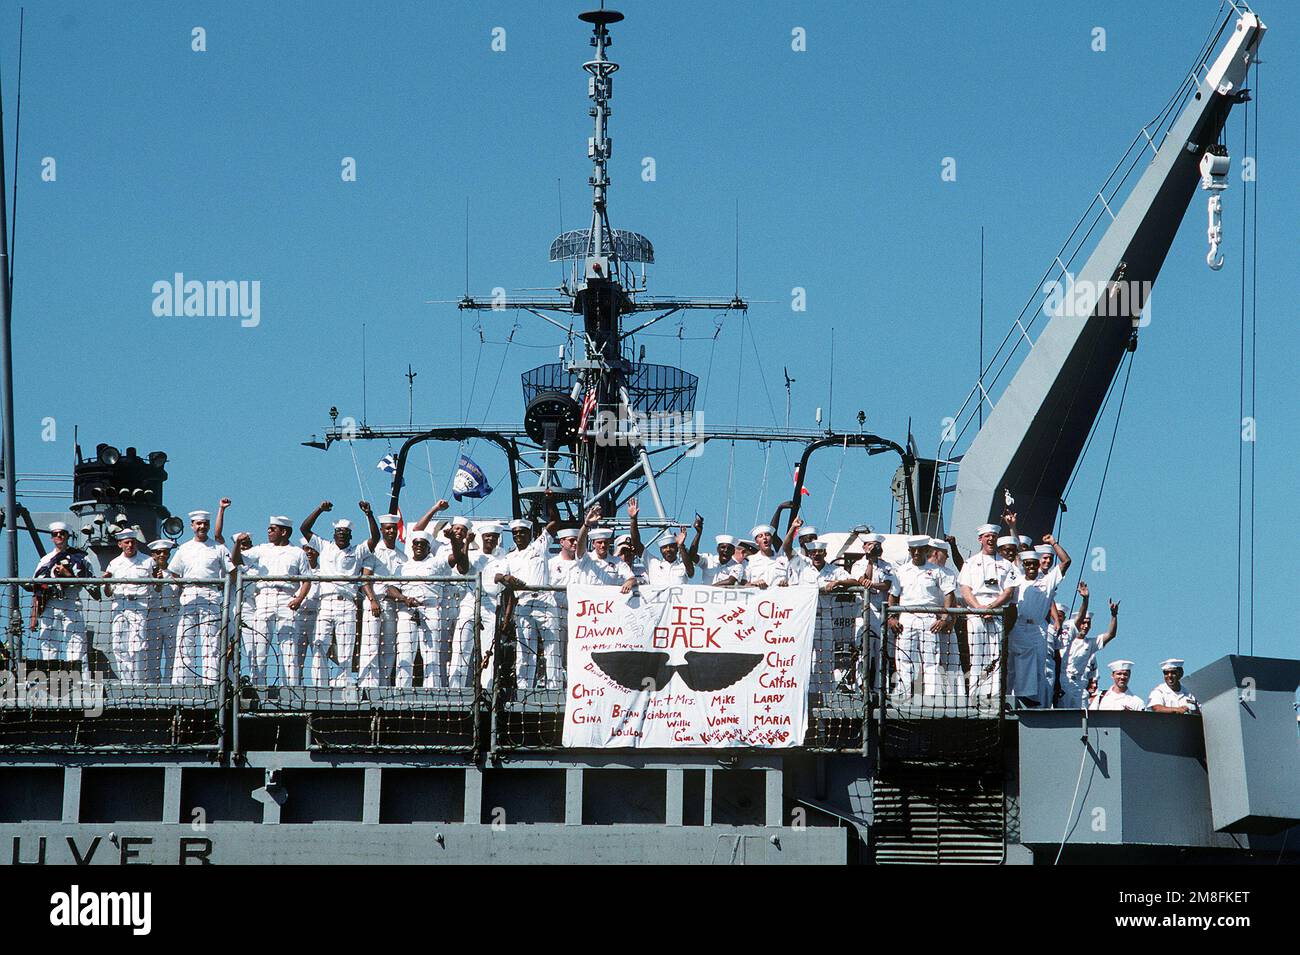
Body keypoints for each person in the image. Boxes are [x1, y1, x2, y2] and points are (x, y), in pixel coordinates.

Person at [300, 500, 379, 684]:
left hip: (347, 604)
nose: (342, 536)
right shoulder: (324, 546)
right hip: (325, 603)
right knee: (319, 644)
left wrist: (369, 515)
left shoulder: (357, 551)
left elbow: (375, 539)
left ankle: (344, 682)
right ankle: (320, 684)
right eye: (339, 532)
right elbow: (304, 529)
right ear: (333, 534)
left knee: (346, 647)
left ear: (351, 536)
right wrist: (319, 509)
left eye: (345, 533)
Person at [230, 517, 312, 685]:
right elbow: (237, 560)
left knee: (289, 647)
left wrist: (299, 598)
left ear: (284, 532)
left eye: (272, 529)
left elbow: (307, 580)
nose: (268, 531)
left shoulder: (298, 553)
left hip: (287, 599)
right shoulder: (261, 549)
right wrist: (237, 543)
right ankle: (258, 686)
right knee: (259, 645)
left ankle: (291, 688)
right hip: (264, 597)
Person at [496, 501, 562, 690]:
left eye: (522, 532)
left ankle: (554, 687)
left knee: (552, 647)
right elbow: (497, 576)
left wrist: (550, 501)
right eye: (515, 533)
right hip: (523, 603)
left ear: (529, 534)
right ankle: (524, 686)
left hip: (544, 600)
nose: (518, 536)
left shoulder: (539, 546)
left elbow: (555, 522)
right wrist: (506, 577)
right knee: (524, 648)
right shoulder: (509, 558)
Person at [887, 536, 957, 704]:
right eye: (913, 550)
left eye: (920, 550)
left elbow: (949, 593)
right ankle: (904, 694)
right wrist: (892, 617)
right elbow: (893, 596)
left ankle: (932, 697)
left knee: (931, 659)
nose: (917, 553)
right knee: (904, 658)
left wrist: (945, 617)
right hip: (906, 618)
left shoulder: (937, 571)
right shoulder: (901, 572)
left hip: (928, 618)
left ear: (927, 551)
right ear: (910, 551)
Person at [167, 508, 234, 684]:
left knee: (211, 642)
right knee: (185, 640)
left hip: (211, 594)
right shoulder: (184, 548)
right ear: (192, 526)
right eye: (199, 524)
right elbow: (174, 572)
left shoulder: (218, 548)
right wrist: (183, 586)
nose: (202, 526)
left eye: (205, 524)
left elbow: (231, 572)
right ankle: (181, 683)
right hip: (189, 595)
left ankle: (211, 683)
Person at [786, 534, 856, 694]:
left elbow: (854, 581)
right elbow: (787, 548)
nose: (817, 555)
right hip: (805, 618)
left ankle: (827, 694)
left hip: (824, 617)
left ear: (825, 553)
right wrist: (792, 529)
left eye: (820, 552)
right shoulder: (802, 567)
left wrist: (838, 582)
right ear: (809, 554)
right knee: (805, 658)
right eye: (814, 553)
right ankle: (805, 693)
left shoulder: (834, 570)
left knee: (826, 657)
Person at [1007, 532, 1070, 707]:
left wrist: (1054, 542)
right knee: (1012, 666)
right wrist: (1012, 527)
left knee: (1040, 668)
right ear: (1024, 566)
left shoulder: (1047, 581)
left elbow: (1066, 562)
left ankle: (1036, 702)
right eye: (1028, 564)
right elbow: (1017, 554)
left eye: (1034, 563)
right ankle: (1007, 699)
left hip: (1037, 629)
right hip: (1018, 627)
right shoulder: (1017, 581)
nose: (1031, 567)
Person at [957, 522, 1017, 703]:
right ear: (980, 539)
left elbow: (1009, 591)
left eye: (993, 536)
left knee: (995, 654)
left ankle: (995, 694)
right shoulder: (970, 562)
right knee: (977, 654)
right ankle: (976, 694)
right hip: (976, 610)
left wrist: (991, 607)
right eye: (987, 536)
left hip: (996, 609)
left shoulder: (1006, 564)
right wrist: (978, 608)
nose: (990, 539)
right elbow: (965, 589)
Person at [448, 522, 509, 689]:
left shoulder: (504, 560)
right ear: (482, 539)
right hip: (471, 601)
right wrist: (466, 543)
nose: (490, 539)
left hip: (491, 606)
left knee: (489, 650)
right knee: (461, 646)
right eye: (487, 536)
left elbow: (508, 589)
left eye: (494, 536)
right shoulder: (474, 555)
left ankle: (487, 689)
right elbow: (462, 567)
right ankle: (456, 689)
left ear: (497, 540)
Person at [28, 521, 95, 674]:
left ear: (67, 536)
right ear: (52, 537)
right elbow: (36, 589)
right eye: (55, 534)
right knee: (49, 642)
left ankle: (79, 679)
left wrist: (68, 574)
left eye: (62, 534)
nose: (59, 536)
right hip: (50, 604)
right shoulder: (45, 560)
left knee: (76, 641)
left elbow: (88, 580)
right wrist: (34, 617)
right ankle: (50, 678)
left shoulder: (80, 558)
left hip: (71, 602)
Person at [388, 530, 441, 688]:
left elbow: (454, 560)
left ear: (428, 547)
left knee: (431, 653)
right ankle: (402, 689)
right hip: (407, 611)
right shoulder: (403, 567)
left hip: (430, 609)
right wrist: (404, 598)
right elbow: (390, 588)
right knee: (405, 652)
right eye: (416, 543)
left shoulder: (436, 564)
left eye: (423, 544)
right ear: (412, 546)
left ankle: (433, 689)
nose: (419, 546)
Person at [358, 512, 406, 687]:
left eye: (394, 528)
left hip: (392, 604)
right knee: (370, 645)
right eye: (388, 528)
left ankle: (384, 685)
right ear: (382, 530)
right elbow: (365, 578)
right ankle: (367, 684)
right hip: (374, 601)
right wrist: (372, 600)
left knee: (389, 647)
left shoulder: (403, 557)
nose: (391, 531)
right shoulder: (374, 552)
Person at [1054, 582, 1118, 709]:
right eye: (1083, 623)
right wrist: (1084, 599)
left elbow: (1110, 635)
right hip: (1063, 681)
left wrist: (1114, 616)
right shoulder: (1065, 638)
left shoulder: (1090, 643)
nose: (1085, 626)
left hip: (1079, 684)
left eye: (1088, 623)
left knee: (1081, 719)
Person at [103, 528, 155, 683]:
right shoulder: (114, 564)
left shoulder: (147, 561)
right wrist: (106, 582)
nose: (130, 545)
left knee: (137, 646)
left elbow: (157, 587)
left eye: (133, 542)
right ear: (120, 544)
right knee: (118, 645)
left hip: (139, 606)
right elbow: (107, 592)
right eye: (127, 542)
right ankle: (126, 683)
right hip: (119, 605)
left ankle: (138, 683)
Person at [573, 506, 636, 590]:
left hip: (607, 602)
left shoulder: (617, 562)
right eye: (599, 542)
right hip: (586, 601)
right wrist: (586, 525)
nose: (603, 545)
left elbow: (631, 577)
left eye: (605, 542)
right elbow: (580, 542)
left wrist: (629, 582)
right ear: (593, 544)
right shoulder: (586, 558)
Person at [145, 539, 179, 684]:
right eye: (158, 552)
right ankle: (154, 686)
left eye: (165, 552)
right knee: (153, 654)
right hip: (154, 614)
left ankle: (170, 685)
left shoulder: (175, 572)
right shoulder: (146, 573)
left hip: (172, 614)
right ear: (153, 554)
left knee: (173, 654)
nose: (162, 555)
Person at [746, 523, 787, 588]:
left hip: (779, 595)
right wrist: (754, 584)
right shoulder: (751, 561)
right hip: (758, 596)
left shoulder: (783, 560)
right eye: (760, 536)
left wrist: (786, 582)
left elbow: (792, 580)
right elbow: (744, 585)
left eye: (767, 535)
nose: (764, 537)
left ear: (772, 539)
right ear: (756, 542)